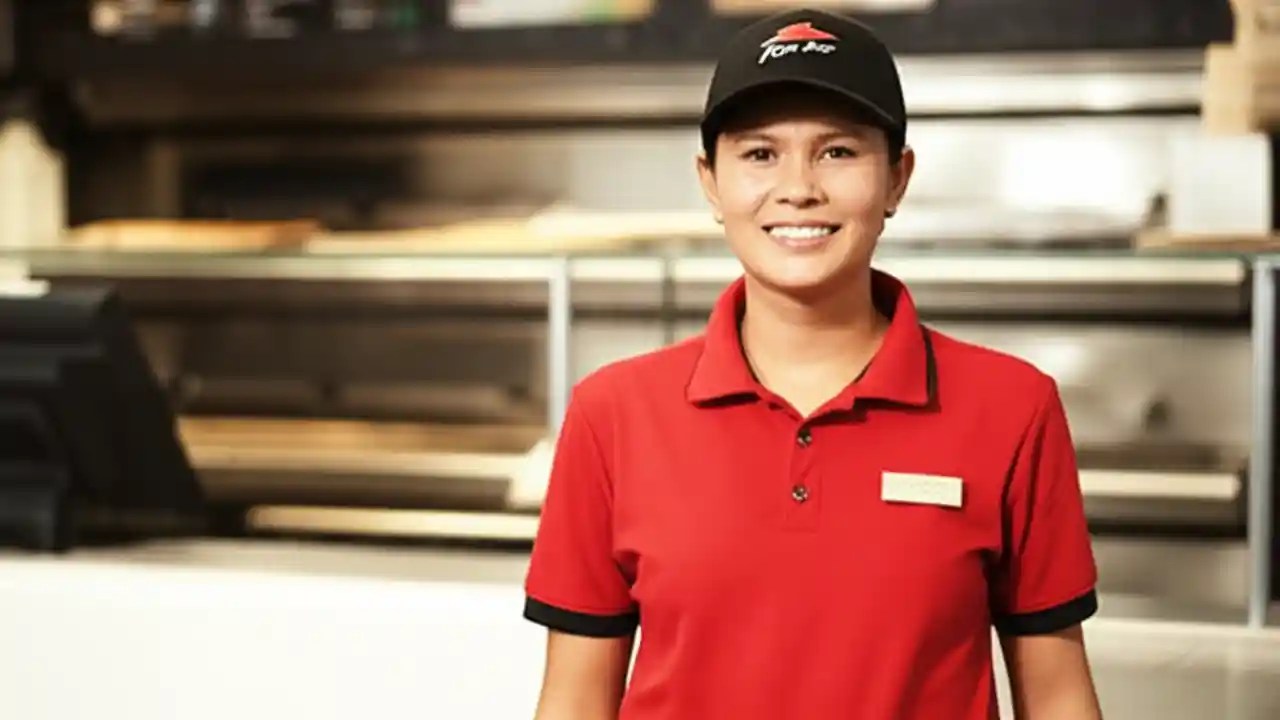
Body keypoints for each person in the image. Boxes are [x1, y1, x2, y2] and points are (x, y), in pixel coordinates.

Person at [522, 8, 1103, 719]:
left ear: (897, 179)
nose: (798, 186)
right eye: (760, 154)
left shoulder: (1012, 407)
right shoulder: (612, 414)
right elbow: (574, 701)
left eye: (838, 152)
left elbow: (1059, 696)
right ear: (710, 182)